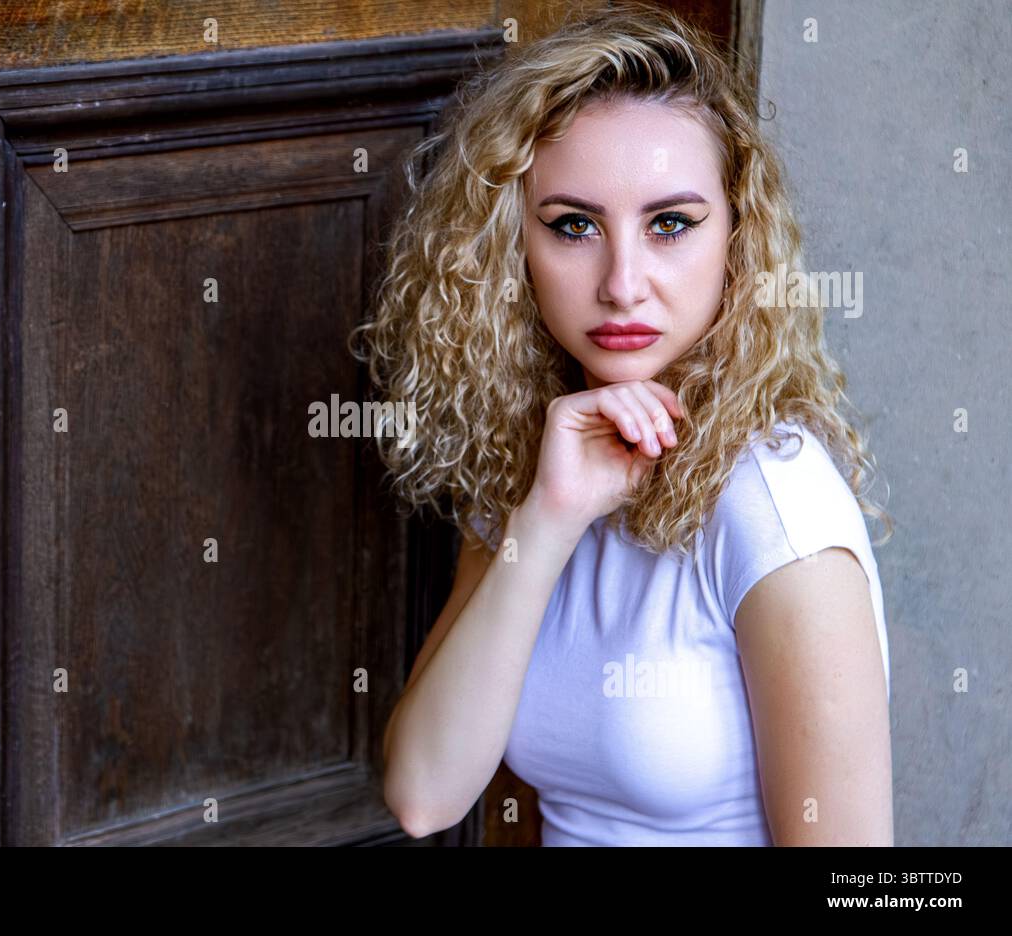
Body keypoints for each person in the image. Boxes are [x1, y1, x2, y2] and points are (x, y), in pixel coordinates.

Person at [351, 1, 895, 846]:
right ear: (512, 248)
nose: (623, 283)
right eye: (574, 226)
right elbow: (424, 794)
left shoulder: (777, 514)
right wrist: (551, 517)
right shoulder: (534, 462)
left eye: (670, 224)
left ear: (738, 242)